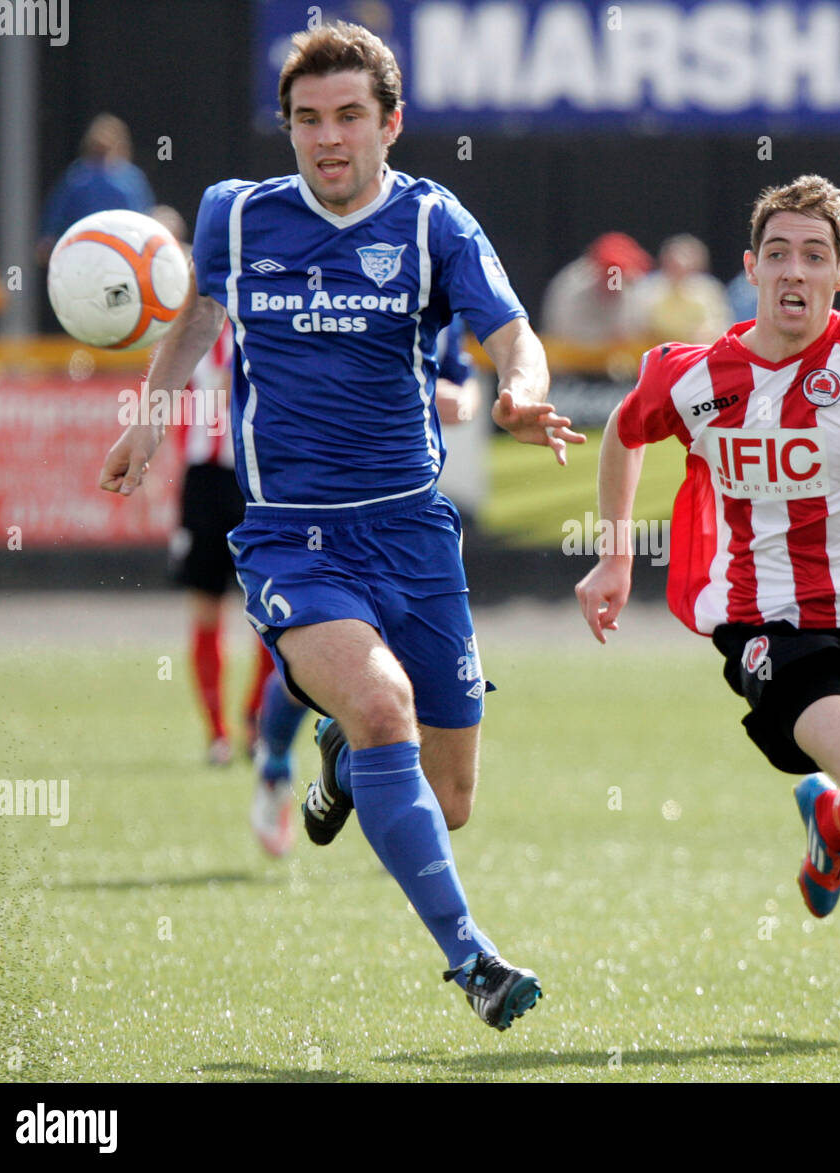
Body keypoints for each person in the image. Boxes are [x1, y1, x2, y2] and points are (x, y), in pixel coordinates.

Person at [97, 21, 582, 1029]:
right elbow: (194, 317)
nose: (328, 137)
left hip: (411, 535)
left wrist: (522, 393)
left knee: (448, 801)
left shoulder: (433, 222)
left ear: (389, 123)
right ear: (287, 128)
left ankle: (338, 760)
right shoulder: (237, 216)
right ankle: (473, 960)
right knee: (378, 703)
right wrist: (148, 421)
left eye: (349, 116)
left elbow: (509, 331)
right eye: (308, 119)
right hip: (290, 536)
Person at [574, 175, 840, 1048]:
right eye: (778, 254)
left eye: (815, 255)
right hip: (767, 621)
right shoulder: (698, 373)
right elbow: (624, 430)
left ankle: (831, 823)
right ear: (751, 268)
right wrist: (615, 556)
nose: (794, 272)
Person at [250, 315, 484, 858]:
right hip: (310, 514)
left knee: (406, 687)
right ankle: (274, 768)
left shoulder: (442, 301)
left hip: (408, 520)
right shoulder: (312, 290)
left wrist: (461, 401)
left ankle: (375, 788)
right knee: (319, 672)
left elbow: (464, 386)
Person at [155, 205, 276, 775]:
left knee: (274, 615)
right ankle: (218, 733)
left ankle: (256, 723)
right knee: (207, 610)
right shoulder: (183, 317)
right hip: (206, 482)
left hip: (261, 480)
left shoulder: (267, 306)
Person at [38, 114, 155, 264]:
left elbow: (144, 218)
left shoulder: (132, 179)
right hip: (84, 253)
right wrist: (48, 238)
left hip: (123, 254)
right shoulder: (78, 176)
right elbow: (56, 214)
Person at [540, 231, 652, 344]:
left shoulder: (634, 285)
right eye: (609, 269)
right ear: (596, 267)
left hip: (613, 354)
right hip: (572, 353)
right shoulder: (573, 285)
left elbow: (635, 333)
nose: (614, 277)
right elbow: (561, 332)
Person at [623, 233, 729, 345]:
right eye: (675, 258)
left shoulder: (710, 289)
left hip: (696, 352)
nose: (680, 262)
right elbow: (634, 328)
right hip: (655, 351)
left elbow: (720, 325)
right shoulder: (647, 288)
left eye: (687, 256)